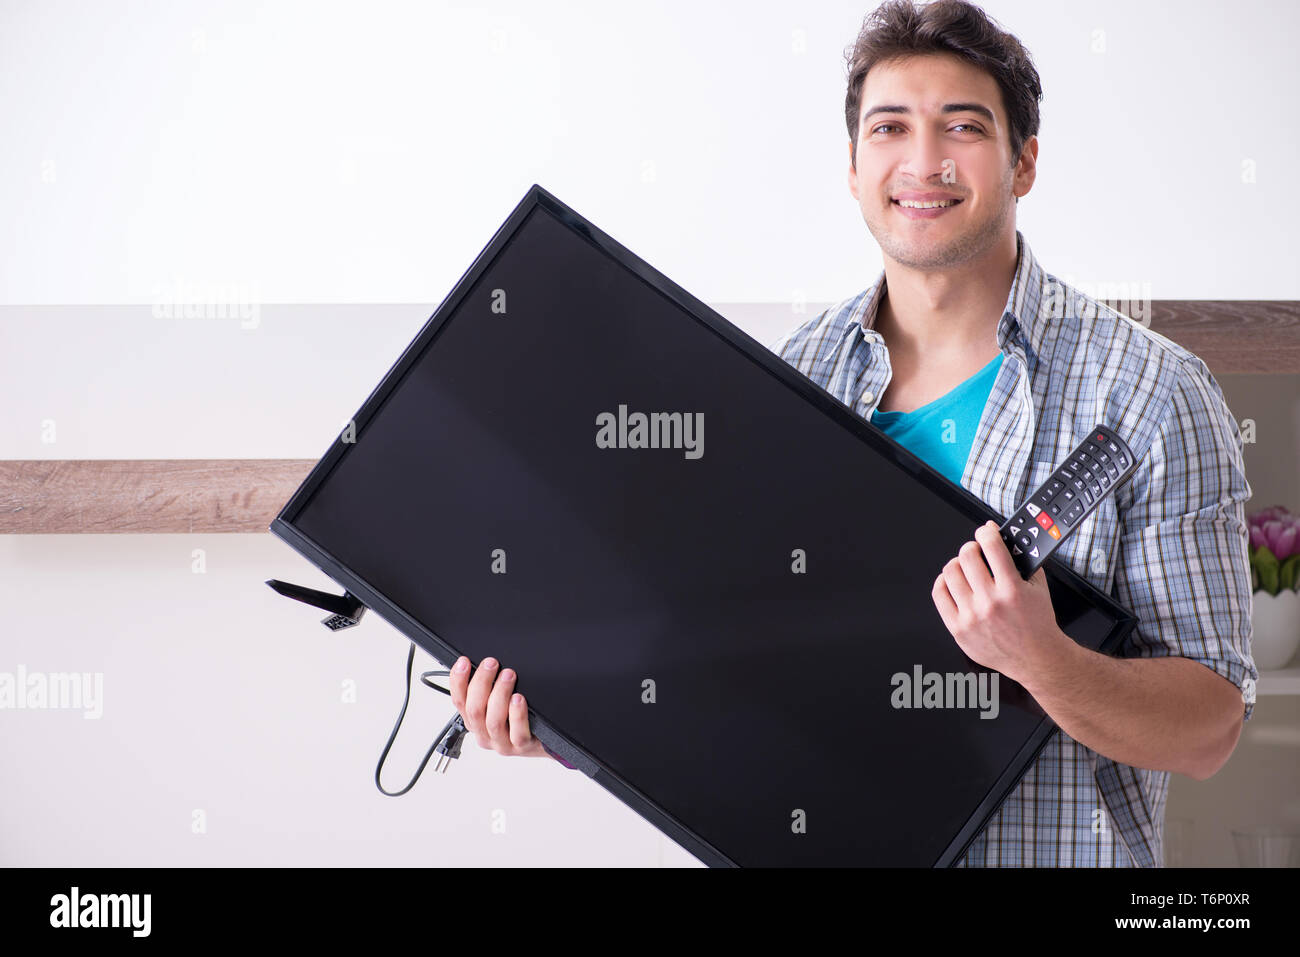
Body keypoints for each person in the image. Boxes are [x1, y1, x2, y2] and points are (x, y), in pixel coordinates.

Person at [450, 0, 1257, 865]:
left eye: (963, 126)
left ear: (1023, 162)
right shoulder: (793, 375)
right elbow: (742, 667)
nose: (924, 161)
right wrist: (581, 727)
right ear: (852, 164)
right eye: (890, 127)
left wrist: (1042, 659)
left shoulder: (1152, 392)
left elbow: (1208, 728)